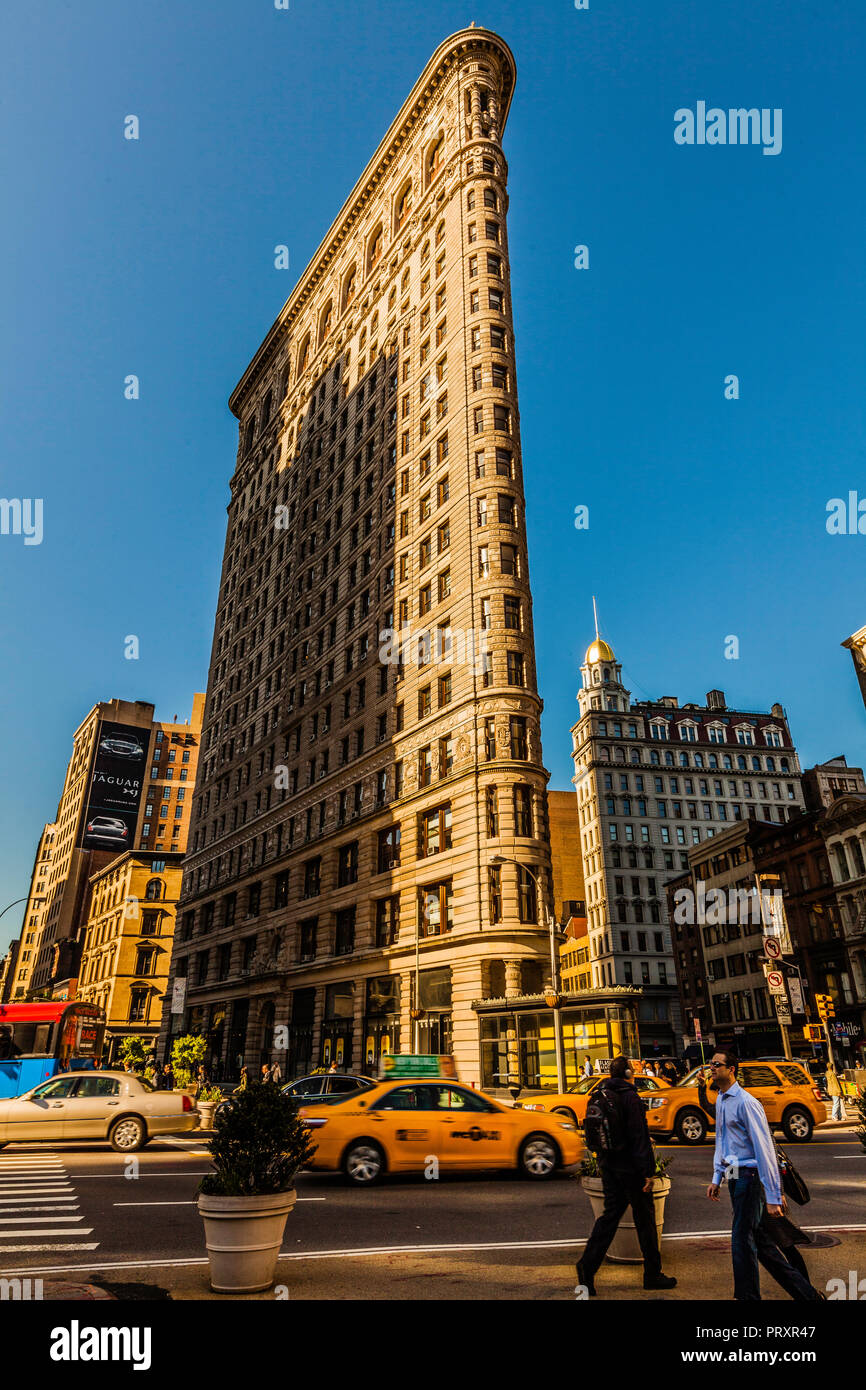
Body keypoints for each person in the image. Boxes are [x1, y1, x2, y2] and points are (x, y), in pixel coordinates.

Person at [705, 1051, 823, 1301]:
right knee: (763, 1245)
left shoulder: (747, 1103)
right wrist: (717, 1177)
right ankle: (808, 1296)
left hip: (750, 1176)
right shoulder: (722, 1100)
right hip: (735, 1175)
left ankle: (747, 1297)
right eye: (711, 1064)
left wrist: (773, 1194)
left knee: (741, 1238)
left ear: (732, 1069)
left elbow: (765, 1150)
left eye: (717, 1064)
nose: (712, 1068)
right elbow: (723, 1143)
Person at [576, 1057, 677, 1296]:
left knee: (609, 1218)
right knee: (645, 1221)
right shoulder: (631, 1097)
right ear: (629, 1073)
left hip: (609, 1165)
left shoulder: (601, 1095)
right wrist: (647, 1173)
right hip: (631, 1169)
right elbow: (638, 1137)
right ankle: (653, 1274)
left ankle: (586, 1268)